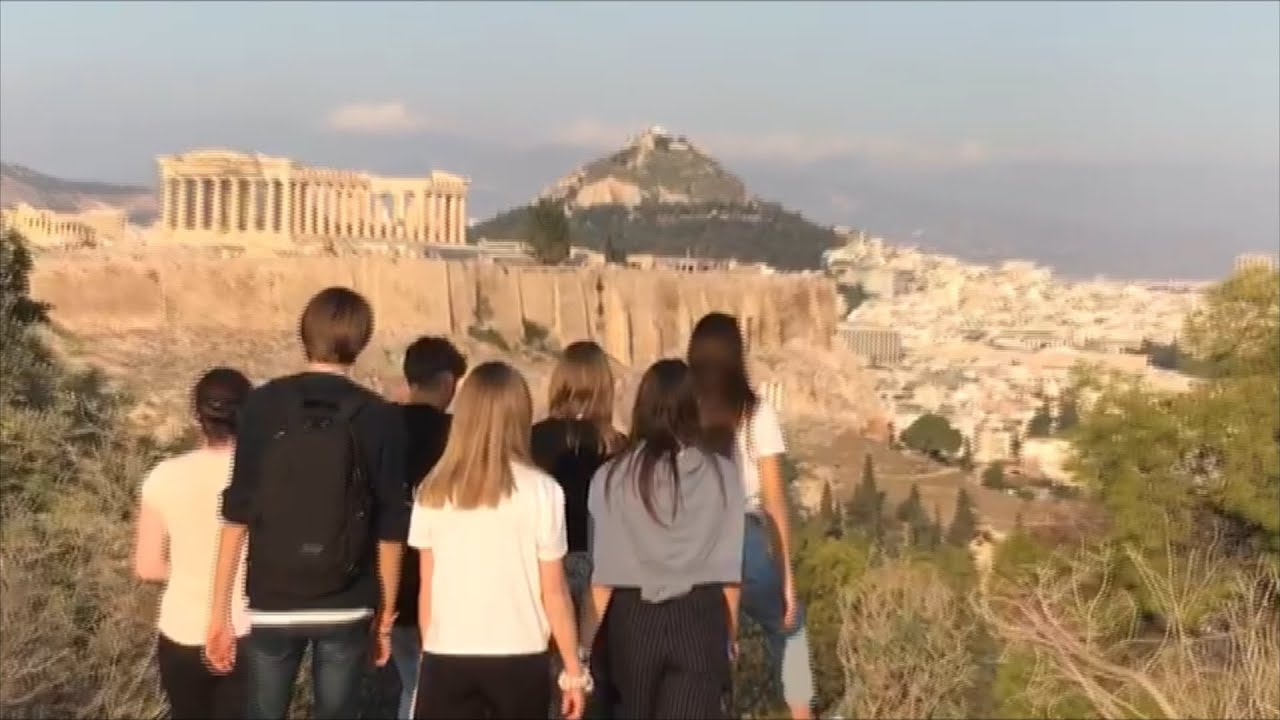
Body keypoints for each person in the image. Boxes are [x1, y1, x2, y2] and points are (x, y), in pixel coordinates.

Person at [204, 287, 409, 720]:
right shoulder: (379, 417)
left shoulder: (260, 405)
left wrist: (218, 612)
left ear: (304, 332)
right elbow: (391, 528)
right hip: (348, 597)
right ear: (362, 339)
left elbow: (236, 513)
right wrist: (385, 615)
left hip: (272, 596)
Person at [409, 361, 589, 720]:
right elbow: (553, 592)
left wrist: (429, 652)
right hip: (519, 655)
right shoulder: (542, 491)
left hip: (447, 653)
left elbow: (428, 587)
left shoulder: (433, 490)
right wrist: (573, 671)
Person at [579, 358, 744, 719]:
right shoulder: (723, 475)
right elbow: (730, 571)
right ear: (692, 406)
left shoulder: (612, 477)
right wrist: (730, 637)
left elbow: (603, 576)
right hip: (699, 620)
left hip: (632, 623)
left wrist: (581, 651)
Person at [687, 312, 817, 720]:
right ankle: (800, 713)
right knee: (789, 627)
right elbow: (775, 500)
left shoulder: (682, 409)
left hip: (691, 539)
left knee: (703, 641)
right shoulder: (755, 413)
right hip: (744, 538)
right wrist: (787, 580)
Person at [133, 367, 254, 720]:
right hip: (246, 626)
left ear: (197, 414)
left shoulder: (164, 475)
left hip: (181, 629)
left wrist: (189, 569)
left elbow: (148, 566)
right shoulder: (267, 476)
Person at [531, 340, 625, 718]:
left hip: (542, 567)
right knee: (594, 682)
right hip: (602, 574)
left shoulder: (533, 439)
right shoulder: (618, 446)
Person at [388, 335, 466, 720]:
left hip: (388, 579)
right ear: (449, 383)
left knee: (412, 684)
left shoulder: (380, 426)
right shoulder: (458, 437)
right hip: (442, 583)